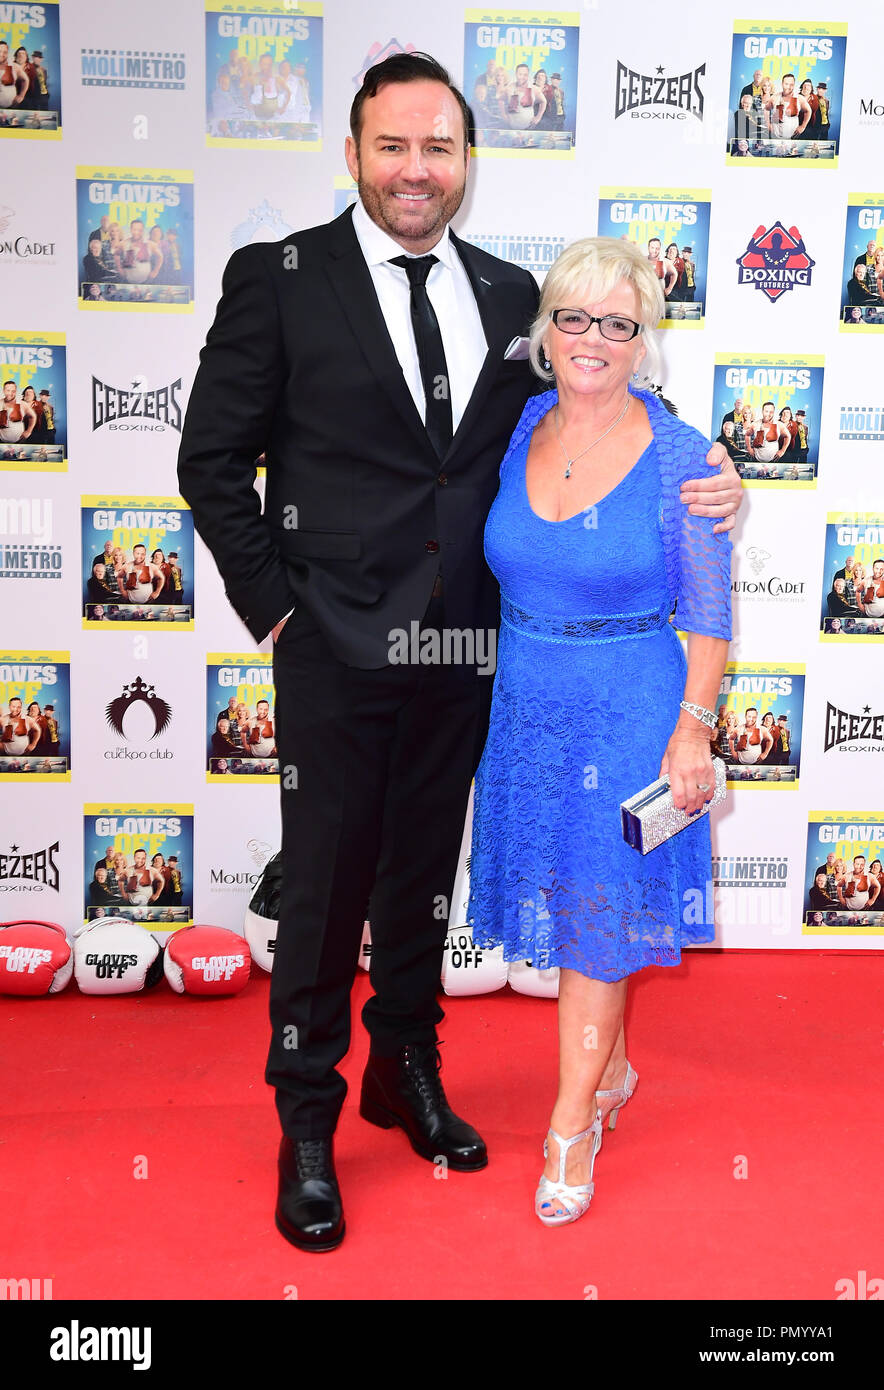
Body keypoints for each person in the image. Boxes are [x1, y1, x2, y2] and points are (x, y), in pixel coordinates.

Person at [177, 51, 741, 1254]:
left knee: (422, 877)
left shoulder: (503, 298)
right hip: (330, 647)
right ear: (353, 155)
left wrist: (715, 486)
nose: (416, 169)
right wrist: (276, 608)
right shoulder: (279, 280)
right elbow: (211, 462)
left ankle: (403, 1071)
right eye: (393, 146)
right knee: (327, 890)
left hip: (464, 652)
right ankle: (310, 1117)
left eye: (438, 148)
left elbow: (586, 436)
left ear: (466, 163)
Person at [466, 235, 732, 1224]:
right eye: (572, 317)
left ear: (641, 341)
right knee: (578, 912)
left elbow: (706, 612)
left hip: (632, 718)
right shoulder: (524, 420)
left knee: (595, 923)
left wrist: (691, 734)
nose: (591, 339)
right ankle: (612, 1069)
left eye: (615, 324)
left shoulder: (681, 461)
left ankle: (570, 1123)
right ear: (545, 332)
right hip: (529, 707)